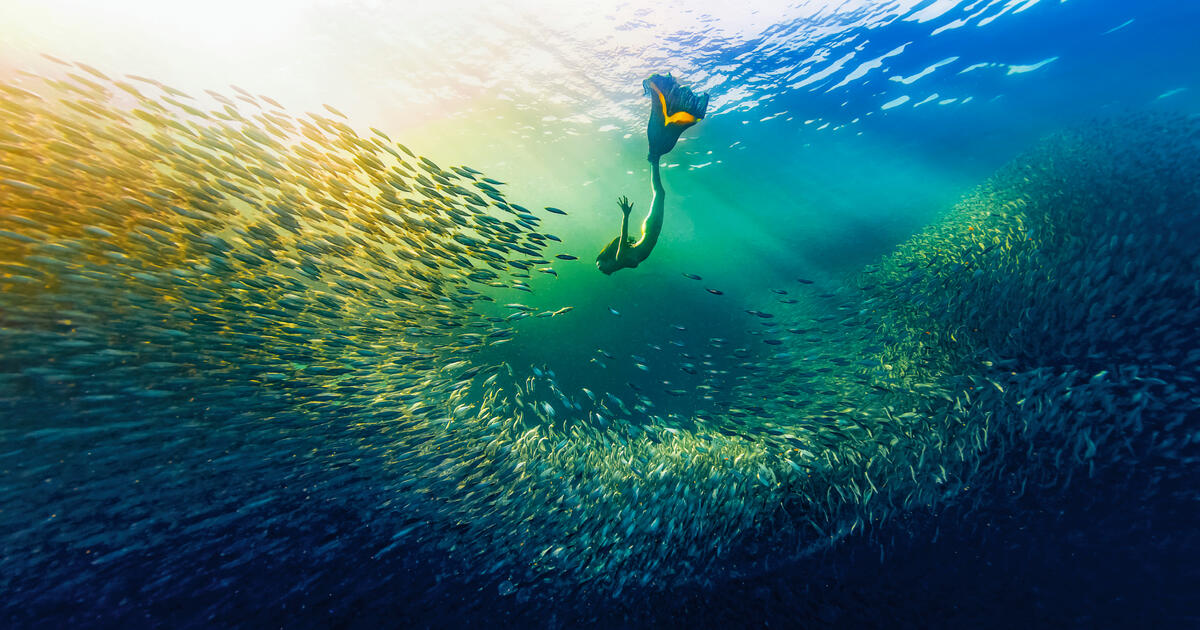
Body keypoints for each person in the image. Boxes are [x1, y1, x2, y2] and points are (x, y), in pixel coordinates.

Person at [596, 74, 709, 275]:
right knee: (660, 192)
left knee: (660, 193)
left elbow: (623, 237)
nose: (601, 269)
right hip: (648, 230)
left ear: (609, 260)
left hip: (649, 229)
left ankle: (654, 161)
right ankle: (654, 160)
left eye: (600, 265)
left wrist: (625, 216)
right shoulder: (624, 261)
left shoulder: (622, 258)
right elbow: (623, 241)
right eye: (601, 267)